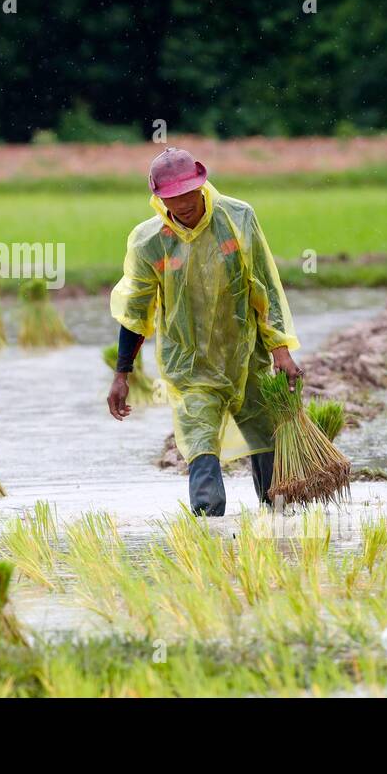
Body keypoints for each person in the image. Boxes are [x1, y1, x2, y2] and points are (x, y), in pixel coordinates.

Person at [107, 148, 302, 515]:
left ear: (201, 184)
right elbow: (135, 313)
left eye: (187, 193)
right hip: (191, 367)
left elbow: (265, 288)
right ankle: (208, 538)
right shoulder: (150, 242)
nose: (181, 204)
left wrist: (281, 350)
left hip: (247, 358)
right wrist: (122, 374)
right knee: (201, 452)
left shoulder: (237, 219)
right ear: (158, 198)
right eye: (170, 197)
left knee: (274, 474)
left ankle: (280, 528)